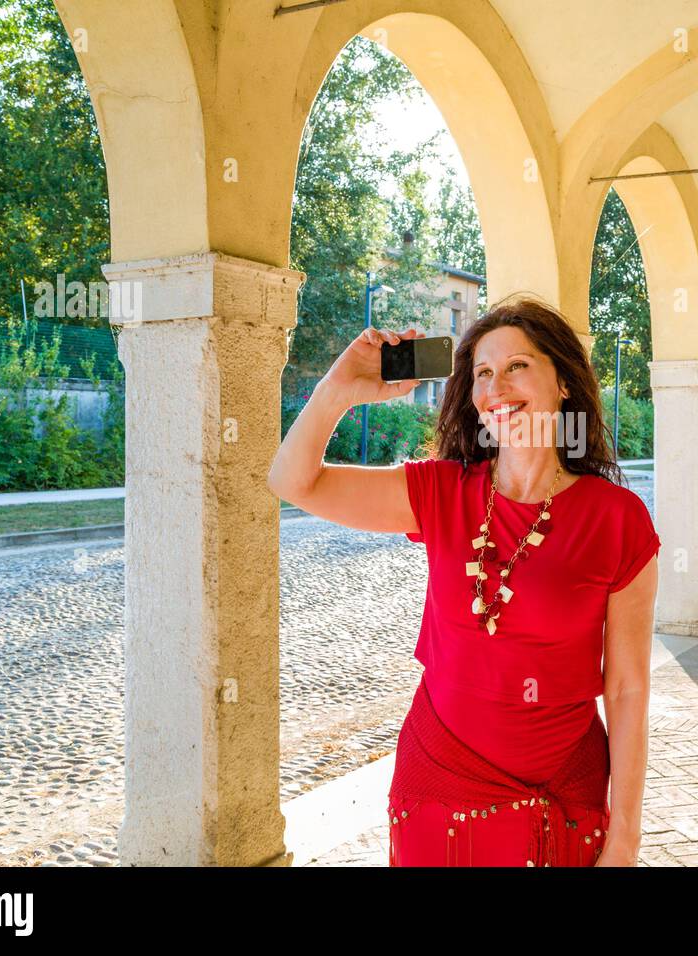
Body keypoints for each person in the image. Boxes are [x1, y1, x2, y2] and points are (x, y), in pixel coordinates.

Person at [267, 293, 660, 866]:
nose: (495, 388)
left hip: (563, 793)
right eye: (482, 373)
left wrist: (624, 839)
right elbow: (293, 482)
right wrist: (339, 389)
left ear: (565, 383)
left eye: (517, 366)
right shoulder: (439, 491)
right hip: (440, 786)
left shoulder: (617, 519)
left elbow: (627, 689)